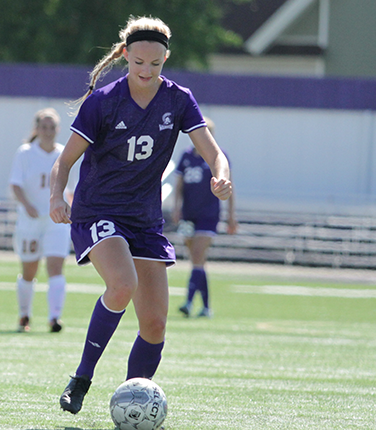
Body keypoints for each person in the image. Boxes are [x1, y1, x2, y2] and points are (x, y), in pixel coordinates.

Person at [48, 16, 233, 415]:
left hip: (144, 219)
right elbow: (63, 163)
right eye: (138, 63)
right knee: (121, 285)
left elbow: (214, 152)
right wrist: (56, 198)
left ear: (166, 58)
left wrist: (221, 176)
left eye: (156, 64)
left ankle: (132, 403)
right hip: (98, 209)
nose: (147, 72)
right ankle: (81, 378)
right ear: (125, 56)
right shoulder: (104, 101)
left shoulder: (179, 99)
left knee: (155, 325)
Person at [9, 108, 70, 333]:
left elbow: (70, 185)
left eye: (52, 127)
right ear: (37, 129)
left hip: (56, 220)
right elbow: (15, 184)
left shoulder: (64, 153)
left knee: (56, 267)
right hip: (30, 221)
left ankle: (55, 318)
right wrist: (27, 205)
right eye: (44, 127)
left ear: (58, 129)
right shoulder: (25, 153)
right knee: (29, 270)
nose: (48, 131)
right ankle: (24, 315)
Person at [173, 118, 238, 319]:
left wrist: (231, 216)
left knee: (199, 255)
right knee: (196, 261)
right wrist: (176, 208)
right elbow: (180, 185)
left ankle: (189, 302)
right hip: (189, 214)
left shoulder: (217, 157)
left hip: (208, 214)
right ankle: (206, 307)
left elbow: (229, 188)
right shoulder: (186, 156)